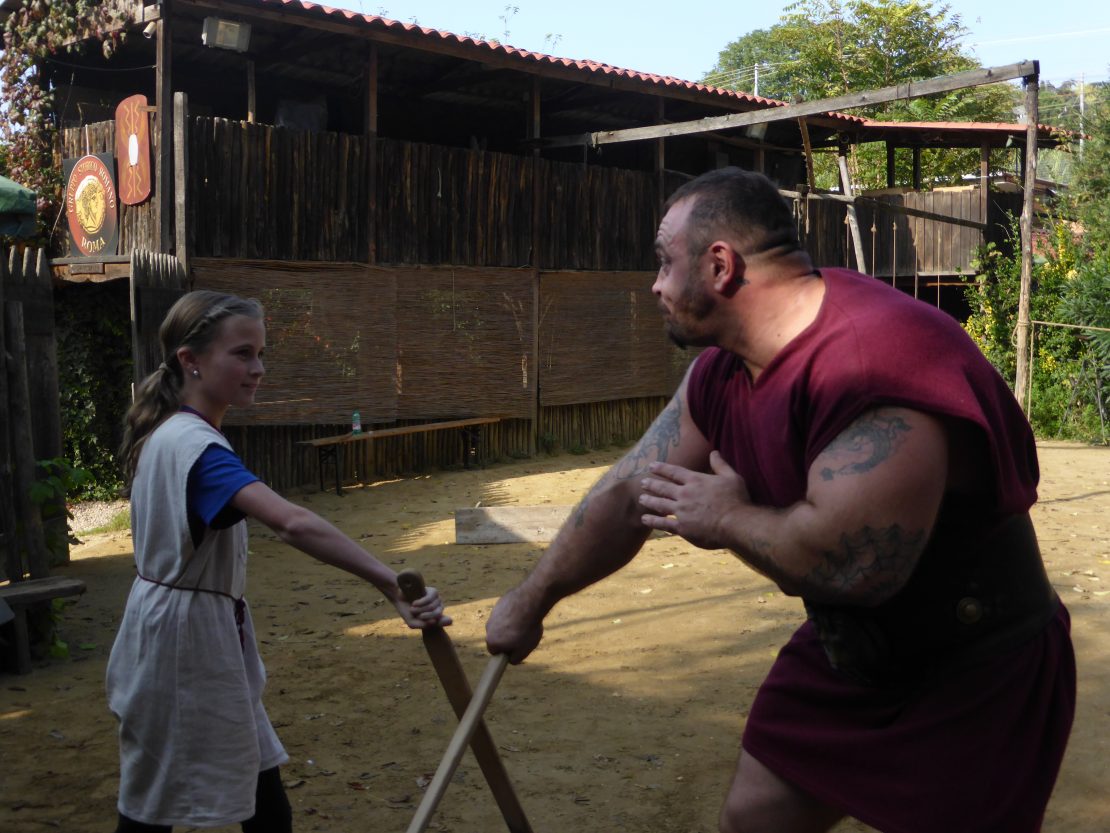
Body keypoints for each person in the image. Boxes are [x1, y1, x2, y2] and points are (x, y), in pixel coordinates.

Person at [486, 167, 1075, 833]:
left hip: (975, 665)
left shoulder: (875, 360)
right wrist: (530, 600)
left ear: (720, 266)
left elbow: (854, 567)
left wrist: (727, 517)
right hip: (851, 650)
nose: (655, 285)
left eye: (664, 262)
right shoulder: (722, 374)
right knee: (753, 821)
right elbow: (630, 491)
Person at [106, 290, 451, 833]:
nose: (258, 369)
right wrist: (389, 583)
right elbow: (292, 522)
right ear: (190, 360)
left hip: (193, 637)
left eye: (261, 354)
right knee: (153, 806)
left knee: (262, 801)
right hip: (182, 647)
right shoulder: (197, 449)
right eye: (242, 354)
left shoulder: (175, 433)